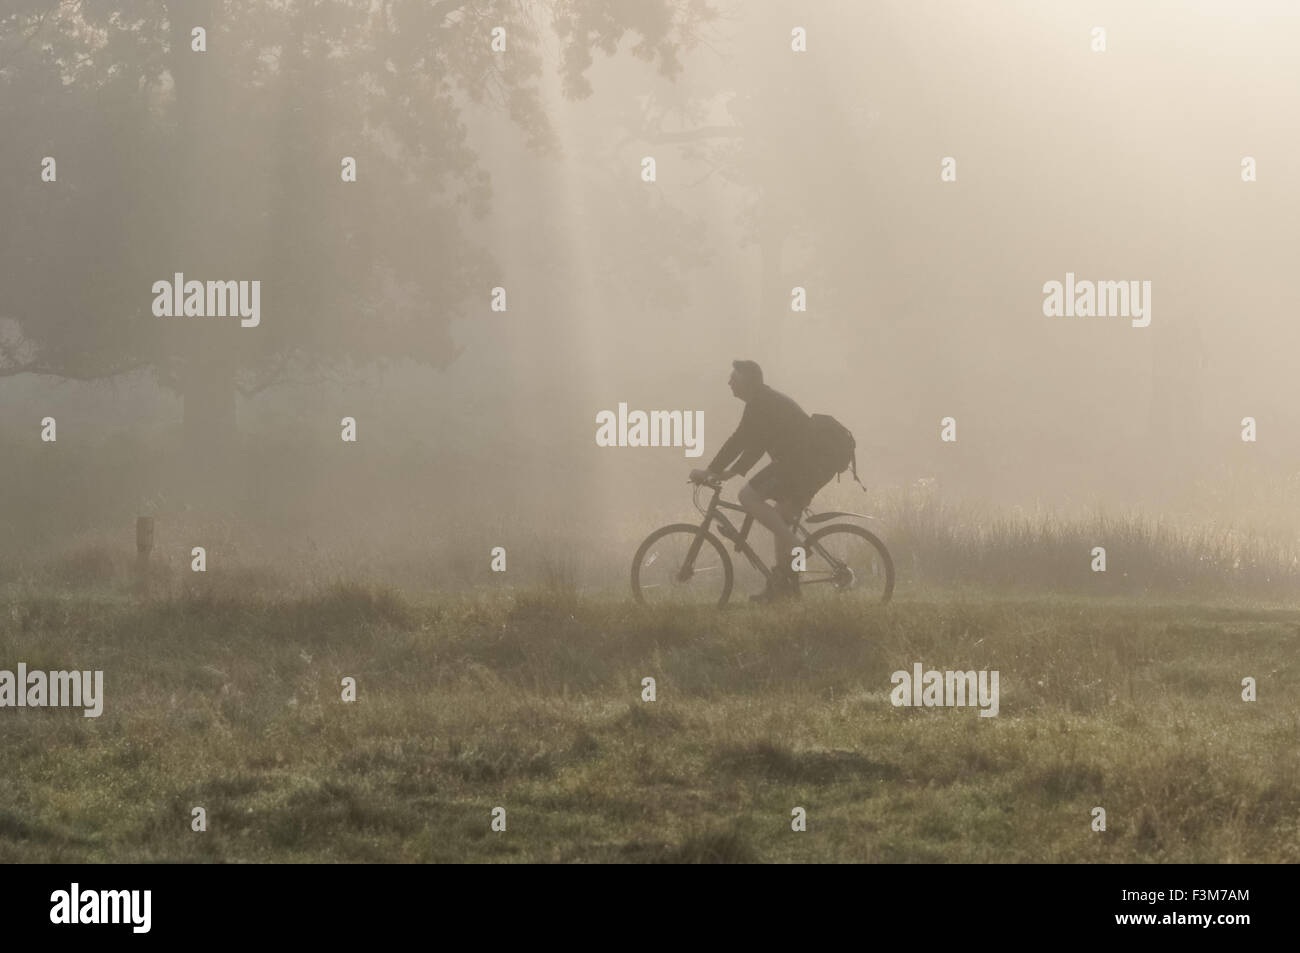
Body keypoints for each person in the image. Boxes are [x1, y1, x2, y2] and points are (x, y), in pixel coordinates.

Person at [689, 360, 832, 602]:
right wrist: (726, 473)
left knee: (747, 496)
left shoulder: (761, 403)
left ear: (748, 381)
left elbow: (740, 441)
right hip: (808, 467)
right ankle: (786, 589)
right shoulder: (763, 401)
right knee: (781, 519)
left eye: (734, 379)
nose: (729, 383)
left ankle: (797, 546)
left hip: (797, 464)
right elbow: (753, 444)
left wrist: (711, 471)